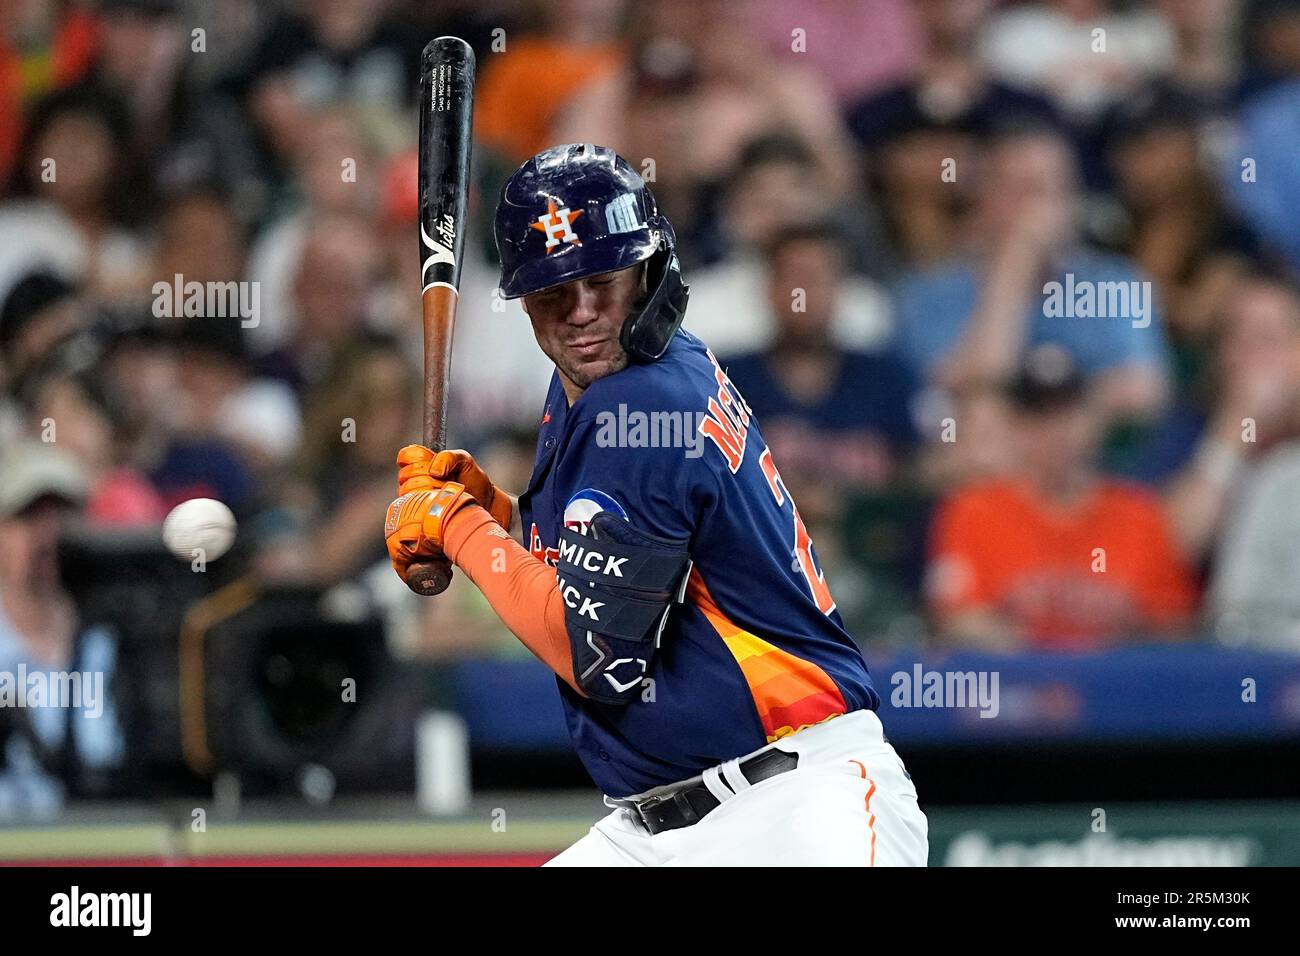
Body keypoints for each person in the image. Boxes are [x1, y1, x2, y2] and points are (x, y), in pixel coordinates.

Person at [383, 144, 927, 866]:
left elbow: (597, 656)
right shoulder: (607, 378)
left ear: (647, 269)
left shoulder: (640, 400)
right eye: (553, 291)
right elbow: (611, 552)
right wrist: (500, 512)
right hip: (661, 824)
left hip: (794, 806)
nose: (581, 312)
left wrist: (459, 529)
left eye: (601, 281)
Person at [927, 344, 1197, 651]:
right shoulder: (972, 509)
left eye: (1067, 412)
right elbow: (958, 621)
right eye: (1038, 416)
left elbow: (1176, 628)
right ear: (1014, 427)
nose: (1054, 431)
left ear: (1094, 419)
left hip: (1117, 690)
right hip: (1014, 690)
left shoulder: (1139, 512)